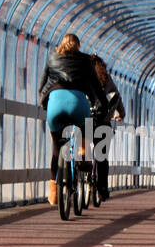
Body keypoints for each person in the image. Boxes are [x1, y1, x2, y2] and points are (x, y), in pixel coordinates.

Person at [38, 33, 105, 205]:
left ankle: (53, 192)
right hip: (78, 103)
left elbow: (42, 84)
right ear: (78, 46)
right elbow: (95, 86)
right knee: (86, 126)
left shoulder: (52, 57)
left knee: (56, 148)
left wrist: (44, 103)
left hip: (55, 104)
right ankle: (83, 153)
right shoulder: (85, 60)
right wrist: (102, 104)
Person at [90, 56, 125, 202]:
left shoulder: (84, 76)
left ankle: (81, 175)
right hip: (103, 121)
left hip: (86, 119)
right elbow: (117, 97)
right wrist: (121, 114)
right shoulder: (107, 79)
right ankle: (102, 189)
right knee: (102, 157)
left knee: (83, 147)